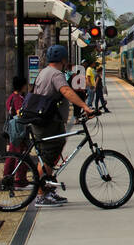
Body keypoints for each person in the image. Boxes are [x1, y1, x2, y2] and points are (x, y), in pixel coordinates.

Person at [30, 44, 95, 206]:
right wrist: (85, 107)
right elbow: (66, 91)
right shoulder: (56, 74)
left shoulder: (44, 72)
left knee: (50, 157)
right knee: (47, 158)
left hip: (45, 122)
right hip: (48, 123)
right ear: (64, 60)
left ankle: (48, 189)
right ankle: (41, 195)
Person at [3, 75, 29, 188]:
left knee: (14, 154)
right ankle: (19, 180)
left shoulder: (11, 97)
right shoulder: (18, 98)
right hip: (18, 130)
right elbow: (20, 113)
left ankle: (8, 177)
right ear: (22, 86)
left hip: (13, 129)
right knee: (20, 155)